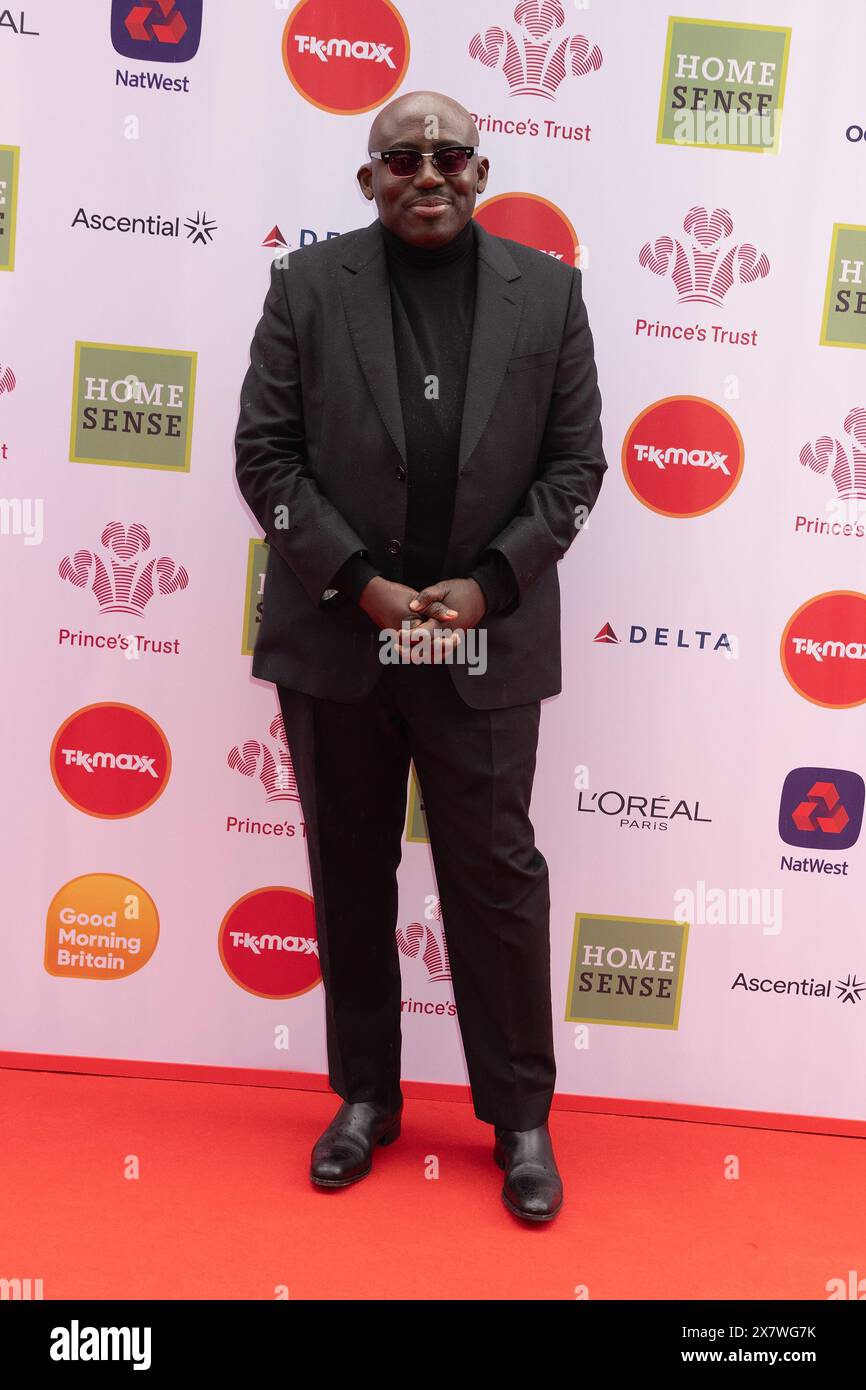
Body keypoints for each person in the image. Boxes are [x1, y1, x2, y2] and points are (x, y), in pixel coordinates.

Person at [234, 89, 606, 1222]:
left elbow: (573, 469)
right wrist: (362, 584)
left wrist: (485, 586)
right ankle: (364, 1099)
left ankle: (520, 1120)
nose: (427, 173)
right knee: (349, 876)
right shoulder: (305, 287)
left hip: (483, 644)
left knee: (494, 883)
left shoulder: (549, 294)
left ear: (481, 172)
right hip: (339, 638)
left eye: (449, 156)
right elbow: (266, 454)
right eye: (403, 159)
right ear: (369, 180)